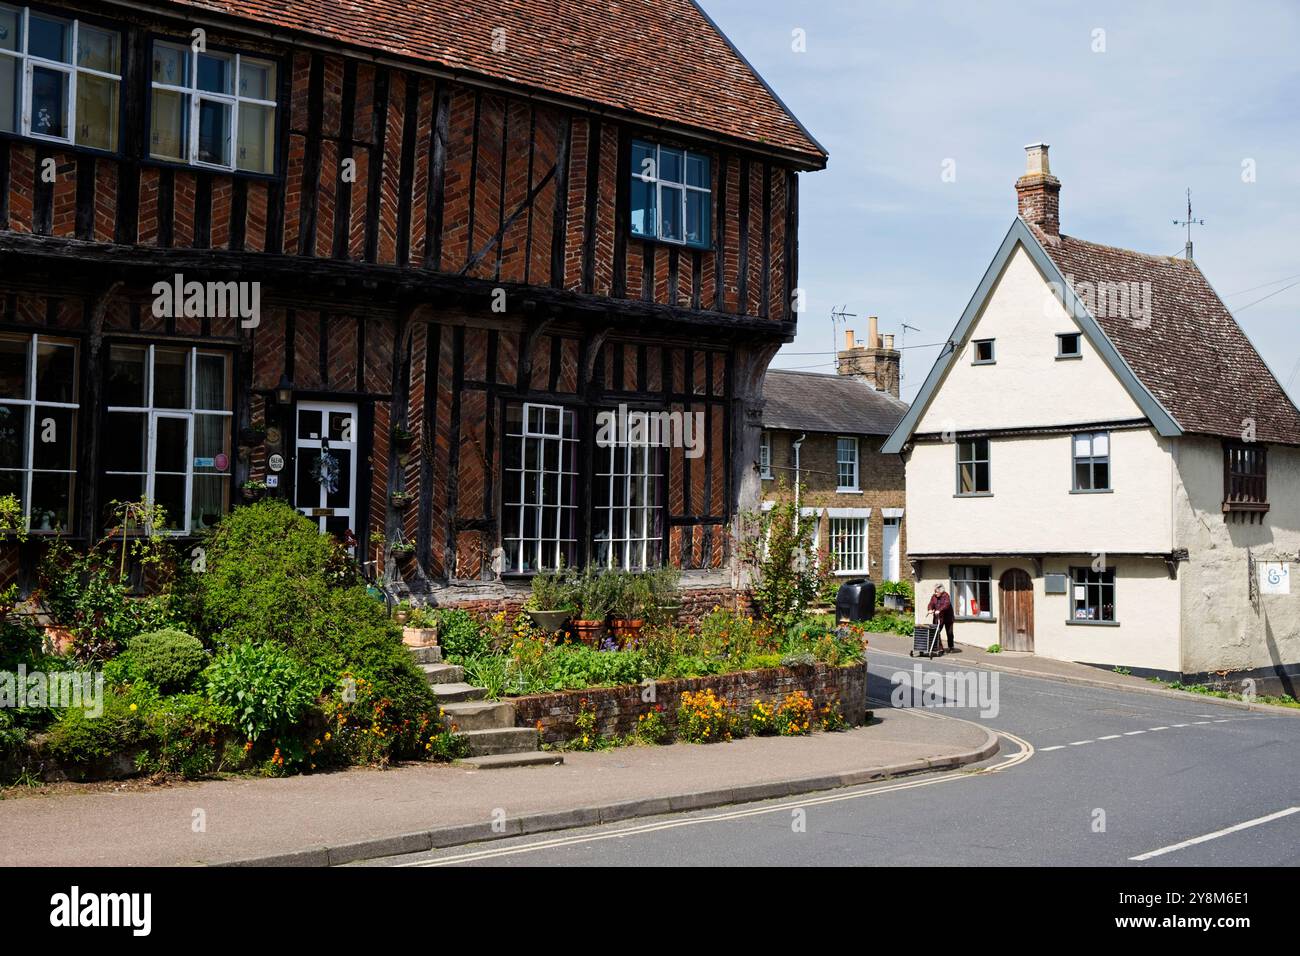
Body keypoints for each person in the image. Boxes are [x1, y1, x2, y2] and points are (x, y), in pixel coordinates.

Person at [926, 584, 955, 653]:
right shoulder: (934, 597)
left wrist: (939, 610)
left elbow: (946, 605)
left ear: (941, 591)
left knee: (949, 633)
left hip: (948, 617)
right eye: (935, 592)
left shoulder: (946, 596)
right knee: (936, 632)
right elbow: (931, 604)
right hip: (938, 618)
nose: (935, 593)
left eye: (937, 592)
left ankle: (951, 646)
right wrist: (930, 609)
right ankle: (940, 648)